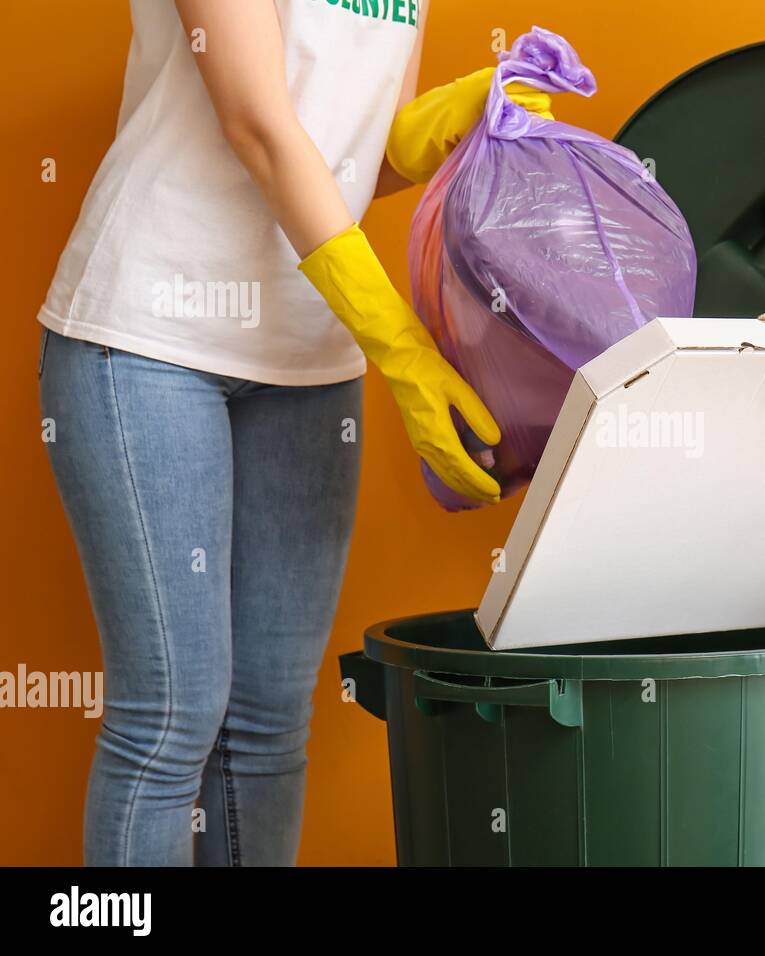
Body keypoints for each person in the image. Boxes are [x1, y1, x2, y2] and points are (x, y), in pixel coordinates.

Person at [38, 0, 550, 865]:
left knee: (268, 724)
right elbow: (260, 124)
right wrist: (399, 345)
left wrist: (446, 119)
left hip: (305, 354)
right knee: (170, 716)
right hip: (150, 330)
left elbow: (354, 152)